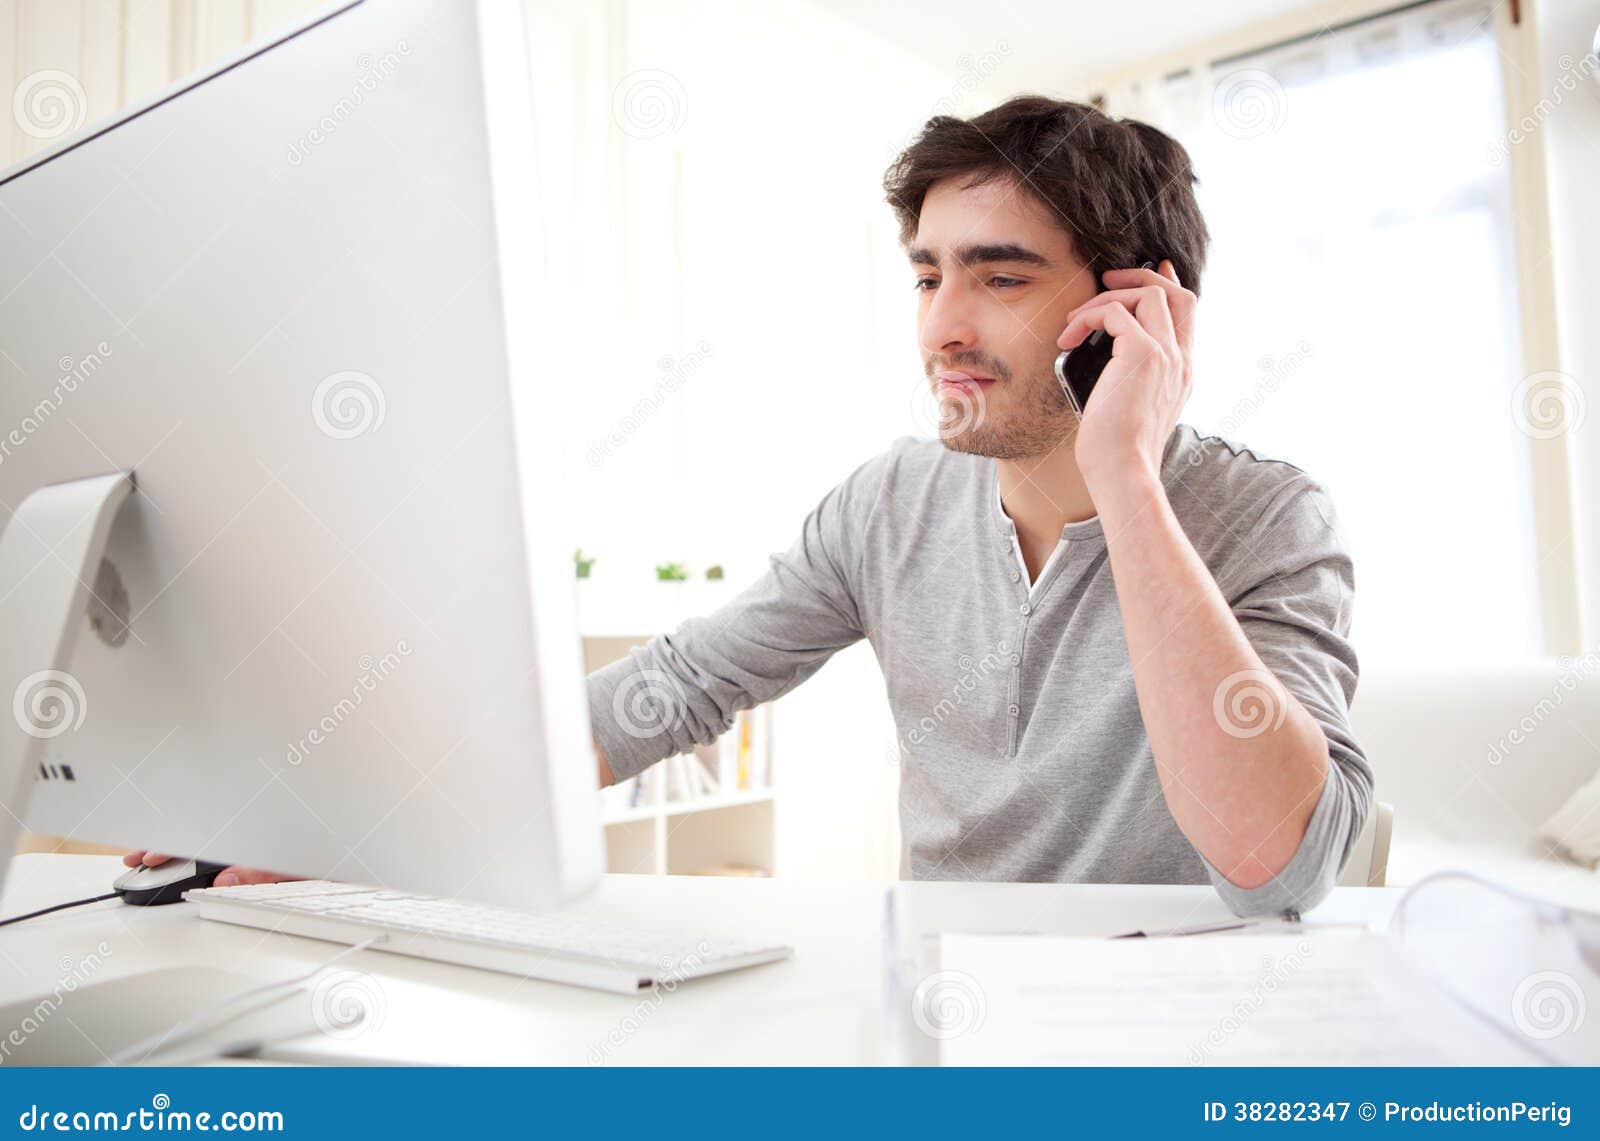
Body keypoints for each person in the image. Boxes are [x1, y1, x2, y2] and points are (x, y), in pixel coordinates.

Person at [133, 95, 1371, 917]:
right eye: (928, 275)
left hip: (1176, 1031)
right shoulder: (890, 502)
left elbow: (1278, 866)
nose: (941, 326)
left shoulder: (1269, 518)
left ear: (1138, 308)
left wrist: (1128, 480)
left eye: (999, 277)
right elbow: (674, 687)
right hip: (939, 1005)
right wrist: (351, 820)